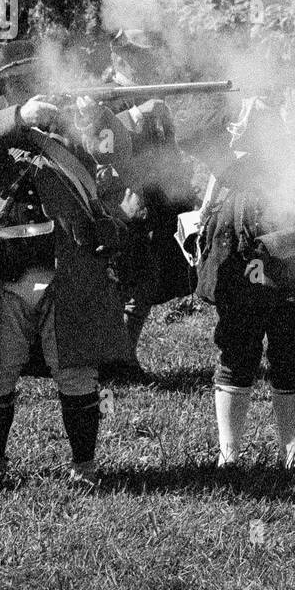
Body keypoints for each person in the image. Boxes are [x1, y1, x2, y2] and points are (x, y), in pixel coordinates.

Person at [0, 42, 133, 488]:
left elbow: (114, 162)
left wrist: (88, 120)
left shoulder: (76, 130)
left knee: (77, 370)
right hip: (5, 273)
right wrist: (19, 120)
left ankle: (84, 467)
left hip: (69, 272)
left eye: (29, 82)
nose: (22, 91)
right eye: (14, 87)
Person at [194, 93, 295, 470]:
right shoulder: (229, 170)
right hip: (239, 284)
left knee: (290, 365)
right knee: (234, 361)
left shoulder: (292, 174)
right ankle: (229, 455)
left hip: (286, 286)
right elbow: (195, 136)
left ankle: (292, 455)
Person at [101, 30, 197, 372]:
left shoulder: (152, 97)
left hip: (151, 202)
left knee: (146, 279)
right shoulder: (103, 94)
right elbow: (92, 138)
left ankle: (123, 356)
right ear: (118, 57)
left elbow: (167, 154)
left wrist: (184, 197)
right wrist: (140, 113)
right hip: (113, 202)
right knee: (122, 282)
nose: (146, 64)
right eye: (136, 56)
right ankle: (114, 359)